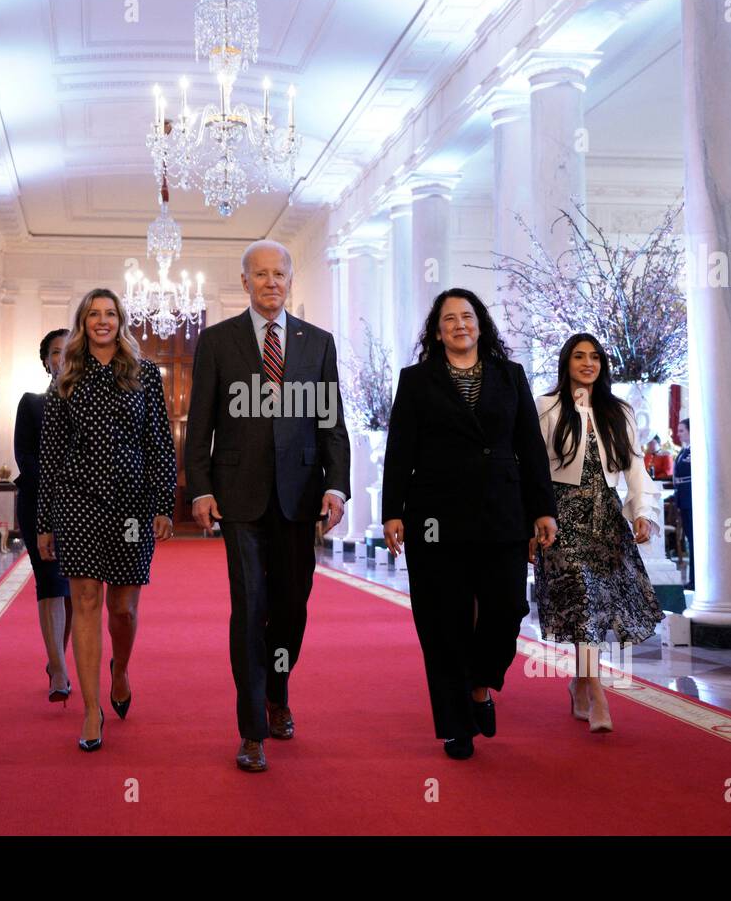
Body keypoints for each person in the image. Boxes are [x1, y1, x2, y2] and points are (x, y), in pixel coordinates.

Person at [184, 239, 351, 772]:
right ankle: (252, 727)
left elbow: (332, 426)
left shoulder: (317, 344)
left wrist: (336, 486)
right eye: (261, 274)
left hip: (301, 500)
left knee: (291, 610)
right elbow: (200, 423)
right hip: (240, 500)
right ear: (245, 282)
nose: (271, 282)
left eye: (280, 273)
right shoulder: (217, 342)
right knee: (250, 609)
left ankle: (278, 692)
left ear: (290, 281)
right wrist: (202, 490)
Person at [382, 289, 557, 760]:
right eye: (449, 319)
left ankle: (480, 685)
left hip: (502, 510)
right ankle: (456, 725)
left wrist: (542, 509)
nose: (460, 324)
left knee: (507, 610)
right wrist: (392, 510)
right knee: (442, 622)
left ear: (480, 324)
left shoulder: (510, 376)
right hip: (434, 517)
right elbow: (400, 448)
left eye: (468, 316)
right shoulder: (417, 381)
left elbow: (531, 448)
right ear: (436, 332)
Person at [37, 288, 177, 752]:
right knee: (85, 602)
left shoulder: (144, 375)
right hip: (77, 502)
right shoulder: (66, 377)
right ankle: (92, 708)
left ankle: (120, 666)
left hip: (132, 506)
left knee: (123, 608)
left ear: (121, 320)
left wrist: (161, 504)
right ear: (82, 322)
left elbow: (159, 443)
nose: (102, 321)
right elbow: (51, 455)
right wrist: (45, 522)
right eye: (94, 314)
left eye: (110, 313)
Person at [533, 333, 663, 733]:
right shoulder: (546, 407)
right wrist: (530, 521)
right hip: (559, 517)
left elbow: (635, 467)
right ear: (566, 362)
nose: (587, 363)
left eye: (594, 357)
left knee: (594, 604)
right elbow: (531, 469)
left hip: (604, 517)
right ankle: (600, 693)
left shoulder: (617, 411)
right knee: (582, 597)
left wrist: (642, 512)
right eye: (579, 356)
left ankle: (581, 682)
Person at [14, 328, 73, 704]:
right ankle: (60, 671)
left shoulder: (90, 403)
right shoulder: (31, 403)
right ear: (46, 360)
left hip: (83, 509)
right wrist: (59, 486)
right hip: (39, 504)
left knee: (74, 591)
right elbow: (26, 458)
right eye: (55, 352)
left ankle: (58, 661)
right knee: (50, 583)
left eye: (68, 351)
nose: (61, 358)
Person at [673, 417, 694, 591]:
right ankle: (692, 578)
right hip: (683, 499)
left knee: (693, 540)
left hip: (690, 499)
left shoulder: (693, 451)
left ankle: (695, 578)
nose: (678, 434)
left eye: (681, 430)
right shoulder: (684, 451)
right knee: (689, 539)